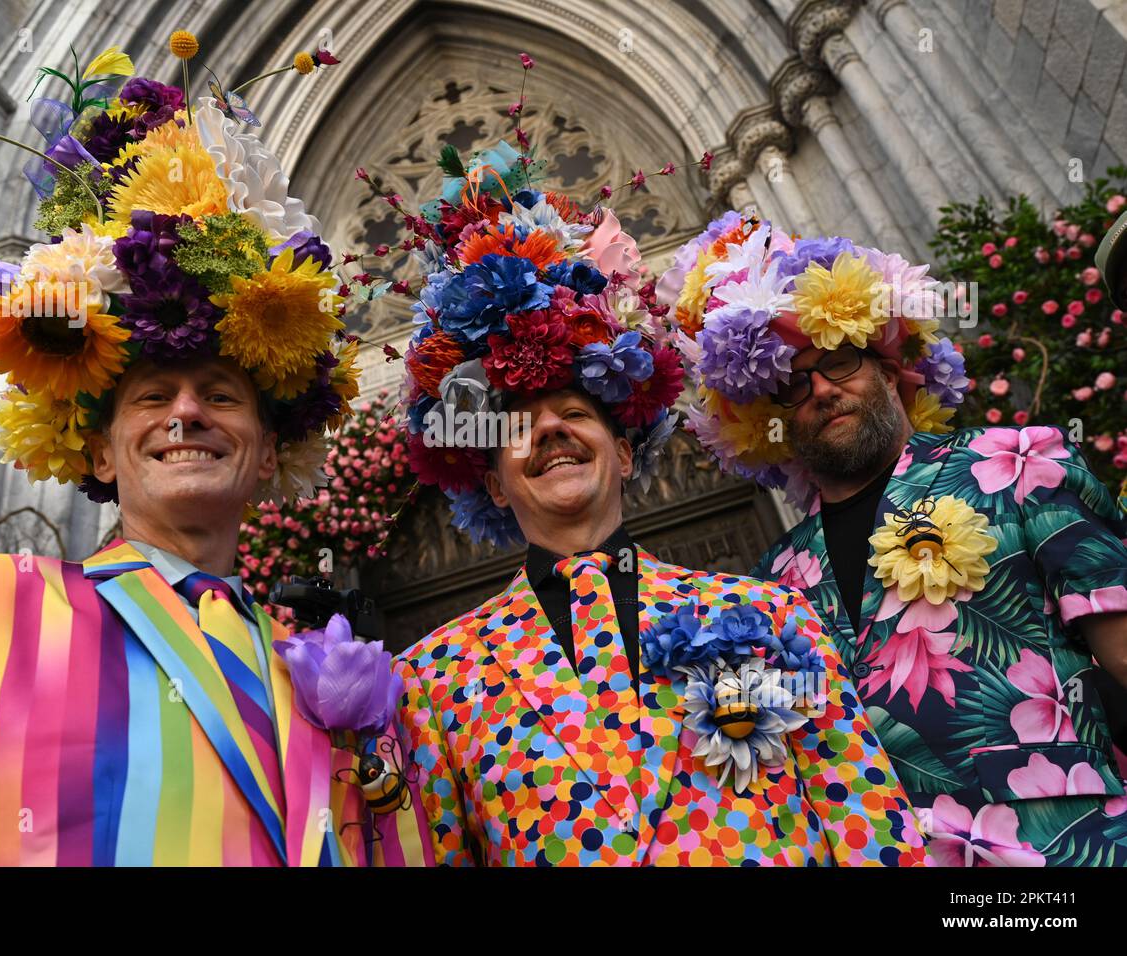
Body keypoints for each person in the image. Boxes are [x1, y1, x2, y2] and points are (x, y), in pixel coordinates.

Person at [0, 37, 429, 866]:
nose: (186, 412)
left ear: (266, 458)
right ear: (101, 456)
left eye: (221, 395)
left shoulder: (342, 676)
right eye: (150, 396)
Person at [373, 134, 926, 866]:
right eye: (514, 422)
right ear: (494, 484)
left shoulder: (771, 615)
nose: (548, 430)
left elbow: (869, 828)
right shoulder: (430, 683)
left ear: (625, 450)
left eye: (573, 412)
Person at [667, 213, 1127, 866]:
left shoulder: (1020, 462)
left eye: (839, 361)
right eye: (795, 384)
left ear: (890, 371)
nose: (822, 389)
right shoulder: (772, 580)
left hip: (1073, 855)